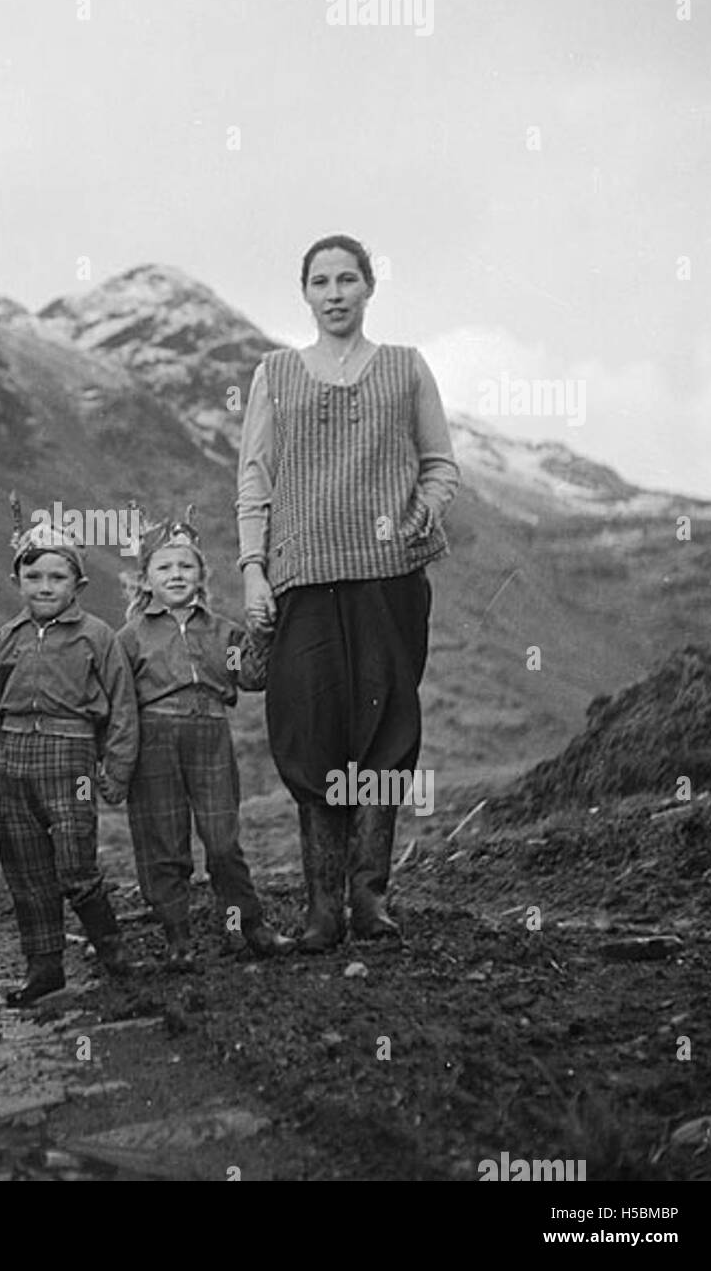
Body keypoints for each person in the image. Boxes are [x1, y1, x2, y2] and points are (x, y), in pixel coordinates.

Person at [236, 234, 460, 951]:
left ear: (369, 289)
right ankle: (320, 913)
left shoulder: (405, 369)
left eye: (347, 280)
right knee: (311, 738)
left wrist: (419, 515)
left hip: (389, 583)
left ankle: (370, 902)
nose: (334, 294)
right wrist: (251, 568)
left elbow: (439, 465)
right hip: (302, 581)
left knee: (387, 736)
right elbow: (255, 481)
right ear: (304, 293)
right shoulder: (274, 374)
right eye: (320, 282)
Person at [0, 512, 139, 1007]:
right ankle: (44, 968)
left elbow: (122, 707)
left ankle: (112, 951)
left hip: (72, 758)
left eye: (57, 577)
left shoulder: (97, 637)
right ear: (17, 580)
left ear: (78, 584)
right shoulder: (3, 640)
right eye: (34, 576)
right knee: (25, 868)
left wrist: (117, 769)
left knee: (74, 861)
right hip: (12, 763)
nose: (45, 587)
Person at [117, 508, 296, 971]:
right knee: (164, 842)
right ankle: (178, 939)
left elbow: (253, 677)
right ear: (144, 579)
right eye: (164, 567)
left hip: (210, 734)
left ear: (200, 575)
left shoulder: (223, 631)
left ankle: (245, 927)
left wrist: (262, 633)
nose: (176, 575)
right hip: (153, 741)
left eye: (185, 566)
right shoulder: (128, 639)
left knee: (222, 842)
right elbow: (114, 701)